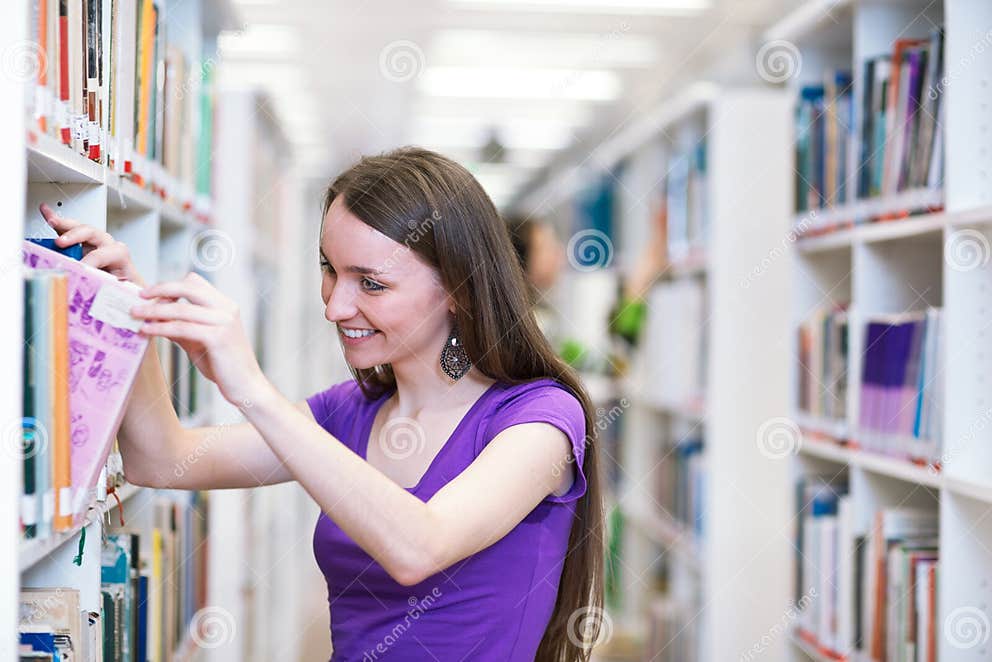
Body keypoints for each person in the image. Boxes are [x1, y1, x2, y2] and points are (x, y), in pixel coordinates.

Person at [38, 147, 605, 661]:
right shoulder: (347, 413)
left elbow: (419, 547)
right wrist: (129, 311)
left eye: (371, 283)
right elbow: (160, 460)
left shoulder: (541, 421)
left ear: (458, 288)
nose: (335, 307)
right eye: (330, 270)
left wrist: (253, 390)